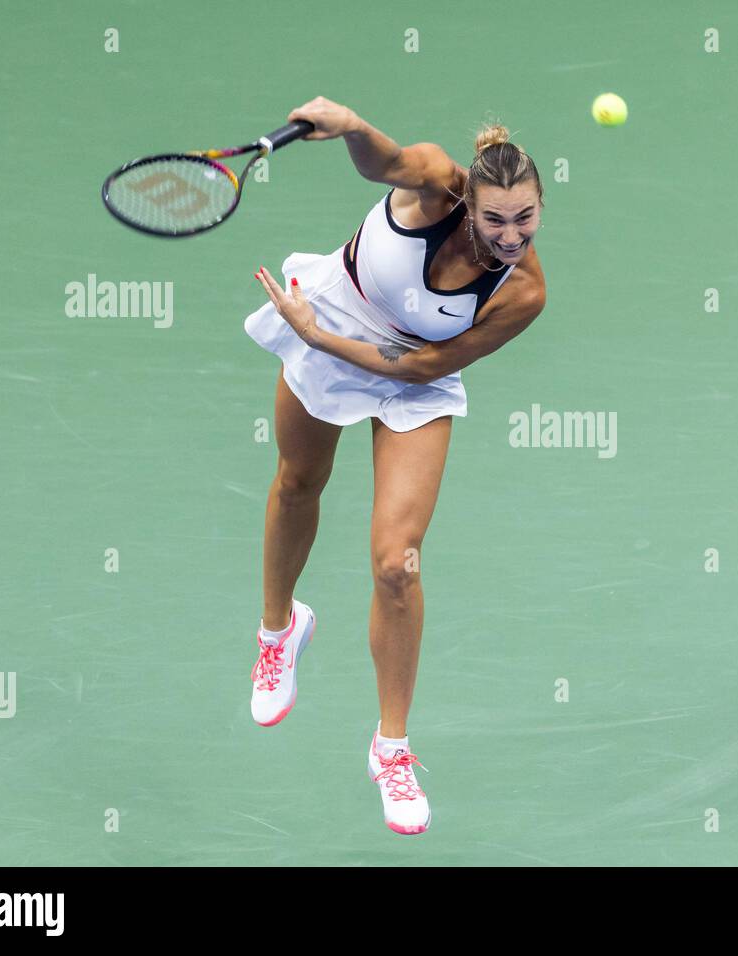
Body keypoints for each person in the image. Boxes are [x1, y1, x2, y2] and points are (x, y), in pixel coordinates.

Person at [243, 96, 547, 835]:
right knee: (297, 482)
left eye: (527, 220)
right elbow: (384, 161)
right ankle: (279, 632)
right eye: (497, 219)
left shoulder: (524, 293)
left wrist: (318, 341)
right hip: (338, 309)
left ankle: (392, 748)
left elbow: (420, 370)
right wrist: (348, 126)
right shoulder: (434, 179)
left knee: (397, 566)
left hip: (408, 371)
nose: (511, 236)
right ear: (465, 202)